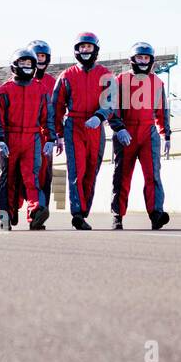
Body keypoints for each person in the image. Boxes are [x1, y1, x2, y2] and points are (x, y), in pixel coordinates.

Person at [52, 32, 120, 230]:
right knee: (77, 171)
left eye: (89, 47)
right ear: (76, 50)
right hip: (74, 126)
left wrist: (99, 116)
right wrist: (57, 134)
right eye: (82, 47)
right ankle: (77, 213)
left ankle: (84, 210)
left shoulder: (106, 75)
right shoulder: (66, 76)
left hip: (96, 127)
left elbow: (111, 101)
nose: (85, 50)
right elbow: (56, 106)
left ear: (95, 50)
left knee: (91, 171)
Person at [0, 48, 55, 231]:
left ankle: (35, 213)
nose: (26, 67)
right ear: (14, 65)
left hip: (32, 139)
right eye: (23, 63)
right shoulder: (3, 91)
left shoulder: (41, 90)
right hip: (9, 139)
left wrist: (50, 138)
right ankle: (5, 216)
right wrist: (0, 140)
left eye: (29, 64)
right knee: (8, 179)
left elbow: (47, 117)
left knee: (32, 177)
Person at [110, 41, 171, 230]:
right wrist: (119, 128)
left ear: (151, 60)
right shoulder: (120, 80)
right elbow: (112, 109)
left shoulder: (158, 82)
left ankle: (156, 214)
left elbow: (162, 110)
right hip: (125, 133)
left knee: (153, 175)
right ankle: (117, 216)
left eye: (146, 58)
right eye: (139, 57)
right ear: (132, 60)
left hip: (148, 133)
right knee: (122, 176)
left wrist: (166, 134)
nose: (143, 61)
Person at [25, 38, 58, 226]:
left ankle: (39, 213)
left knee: (44, 176)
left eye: (43, 56)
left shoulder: (52, 82)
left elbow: (57, 111)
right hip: (24, 136)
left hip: (45, 136)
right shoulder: (18, 81)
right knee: (26, 175)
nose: (40, 59)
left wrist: (56, 136)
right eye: (37, 55)